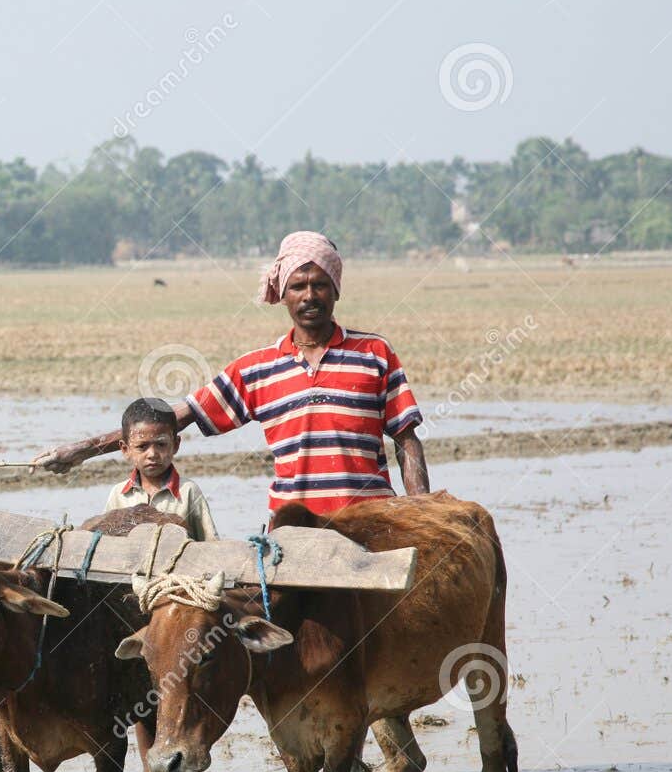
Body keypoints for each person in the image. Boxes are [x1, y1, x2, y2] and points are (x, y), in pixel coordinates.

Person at [36, 231, 430, 518]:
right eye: (298, 286)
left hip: (372, 522)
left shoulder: (374, 353)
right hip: (295, 530)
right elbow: (172, 419)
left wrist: (424, 515)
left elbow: (406, 440)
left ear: (336, 290)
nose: (310, 296)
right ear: (283, 294)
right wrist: (81, 451)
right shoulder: (256, 369)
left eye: (320, 285)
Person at [104, 397, 219, 541]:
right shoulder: (118, 494)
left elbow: (210, 544)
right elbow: (104, 544)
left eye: (161, 444)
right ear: (125, 449)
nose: (152, 454)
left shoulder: (188, 491)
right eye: (142, 446)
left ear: (175, 445)